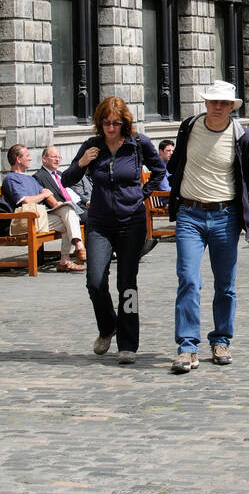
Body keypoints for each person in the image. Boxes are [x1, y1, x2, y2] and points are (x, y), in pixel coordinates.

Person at [63, 98, 167, 363]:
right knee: (95, 281)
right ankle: (108, 326)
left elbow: (158, 170)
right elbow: (67, 180)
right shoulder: (92, 146)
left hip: (131, 222)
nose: (111, 128)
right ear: (100, 123)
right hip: (99, 222)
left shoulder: (138, 144)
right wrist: (83, 162)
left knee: (126, 285)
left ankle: (128, 343)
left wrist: (141, 195)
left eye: (116, 123)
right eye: (106, 123)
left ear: (125, 122)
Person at [167, 79, 249, 373]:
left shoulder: (242, 137)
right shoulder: (189, 128)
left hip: (225, 216)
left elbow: (247, 178)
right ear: (206, 103)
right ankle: (187, 346)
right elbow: (176, 164)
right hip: (190, 214)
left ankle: (221, 339)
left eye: (224, 103)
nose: (218, 107)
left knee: (225, 285)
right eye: (213, 102)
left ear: (231, 107)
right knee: (189, 280)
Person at [2, 143, 87, 271]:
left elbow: (47, 194)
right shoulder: (11, 179)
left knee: (68, 213)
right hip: (24, 220)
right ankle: (78, 247)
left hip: (39, 217)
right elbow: (25, 201)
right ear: (18, 159)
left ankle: (65, 260)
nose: (30, 158)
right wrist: (42, 195)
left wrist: (56, 204)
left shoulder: (29, 179)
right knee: (68, 220)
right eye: (27, 156)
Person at [35, 145, 86, 220]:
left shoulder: (61, 174)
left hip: (81, 204)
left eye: (59, 157)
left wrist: (86, 202)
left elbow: (75, 191)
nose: (57, 160)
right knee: (94, 219)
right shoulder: (39, 177)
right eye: (54, 157)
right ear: (44, 159)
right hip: (67, 209)